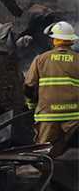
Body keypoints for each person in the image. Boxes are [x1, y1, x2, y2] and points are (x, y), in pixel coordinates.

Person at [25, 21, 78, 149]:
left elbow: (29, 86)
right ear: (71, 41)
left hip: (48, 114)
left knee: (44, 151)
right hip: (75, 116)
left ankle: (47, 168)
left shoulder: (41, 59)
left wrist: (31, 105)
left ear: (54, 40)